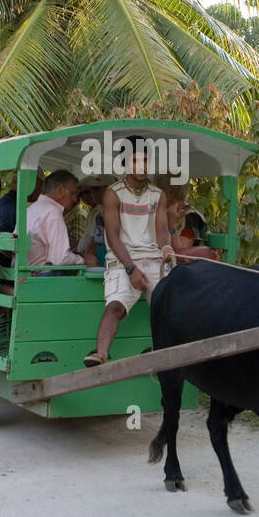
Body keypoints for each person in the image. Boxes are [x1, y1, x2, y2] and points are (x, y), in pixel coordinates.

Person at [84, 139, 175, 368]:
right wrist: (131, 268)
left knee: (169, 304)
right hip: (122, 260)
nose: (141, 166)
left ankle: (168, 352)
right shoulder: (113, 194)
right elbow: (113, 236)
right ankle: (101, 354)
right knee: (115, 306)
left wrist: (166, 247)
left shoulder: (157, 195)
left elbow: (162, 231)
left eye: (145, 161)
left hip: (154, 260)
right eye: (136, 161)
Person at [25, 171, 86, 271]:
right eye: (73, 193)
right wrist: (83, 260)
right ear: (61, 191)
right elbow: (59, 259)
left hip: (25, 274)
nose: (75, 199)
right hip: (40, 277)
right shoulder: (53, 212)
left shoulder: (32, 208)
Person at [164, 185, 219, 260]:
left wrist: (172, 225)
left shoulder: (191, 216)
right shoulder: (166, 214)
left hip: (190, 268)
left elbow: (181, 256)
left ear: (171, 194)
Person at [75, 179, 108, 265]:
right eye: (80, 195)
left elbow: (96, 241)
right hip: (88, 258)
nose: (84, 196)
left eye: (87, 192)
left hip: (98, 259)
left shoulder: (102, 211)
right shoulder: (92, 212)